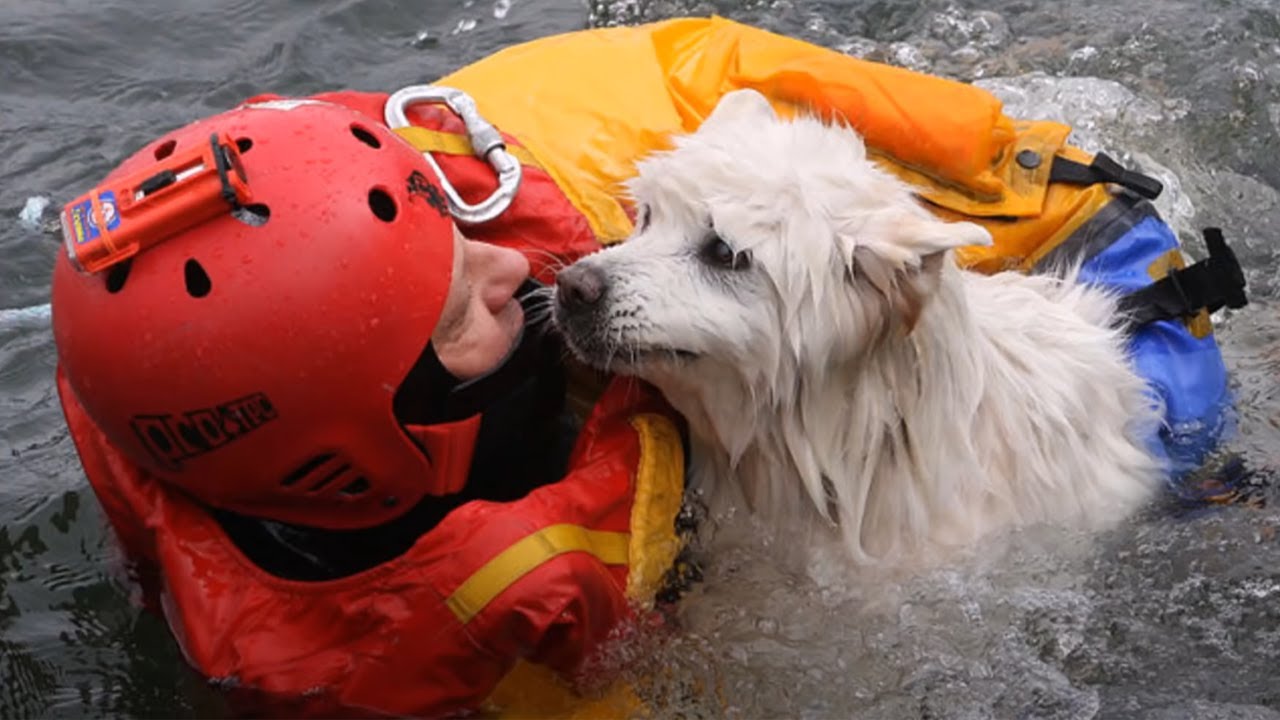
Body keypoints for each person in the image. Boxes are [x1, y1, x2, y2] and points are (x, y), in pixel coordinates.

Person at [50, 14, 1244, 720]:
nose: (539, 276)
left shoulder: (532, 226)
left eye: (461, 243)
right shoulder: (219, 455)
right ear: (376, 424)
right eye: (450, 313)